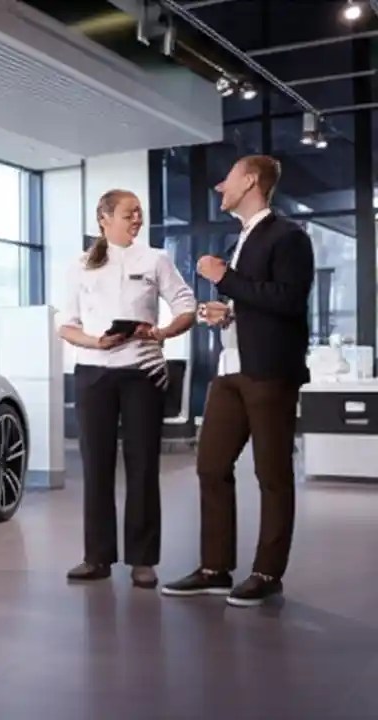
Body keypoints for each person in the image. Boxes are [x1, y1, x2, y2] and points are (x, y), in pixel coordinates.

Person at [161, 155, 314, 608]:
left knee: (272, 474)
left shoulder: (289, 236)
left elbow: (289, 300)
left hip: (269, 372)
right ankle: (214, 568)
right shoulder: (241, 238)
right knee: (210, 466)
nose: (218, 187)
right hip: (230, 370)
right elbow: (257, 299)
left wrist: (224, 278)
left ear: (249, 181)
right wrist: (226, 312)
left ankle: (268, 572)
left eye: (226, 179)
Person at [59, 189, 197, 589]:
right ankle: (97, 557)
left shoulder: (155, 259)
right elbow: (66, 325)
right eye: (128, 213)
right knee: (96, 467)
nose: (137, 219)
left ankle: (143, 560)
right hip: (94, 374)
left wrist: (162, 332)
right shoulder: (79, 266)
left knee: (142, 466)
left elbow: (186, 304)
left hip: (142, 374)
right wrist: (96, 342)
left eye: (140, 213)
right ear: (104, 217)